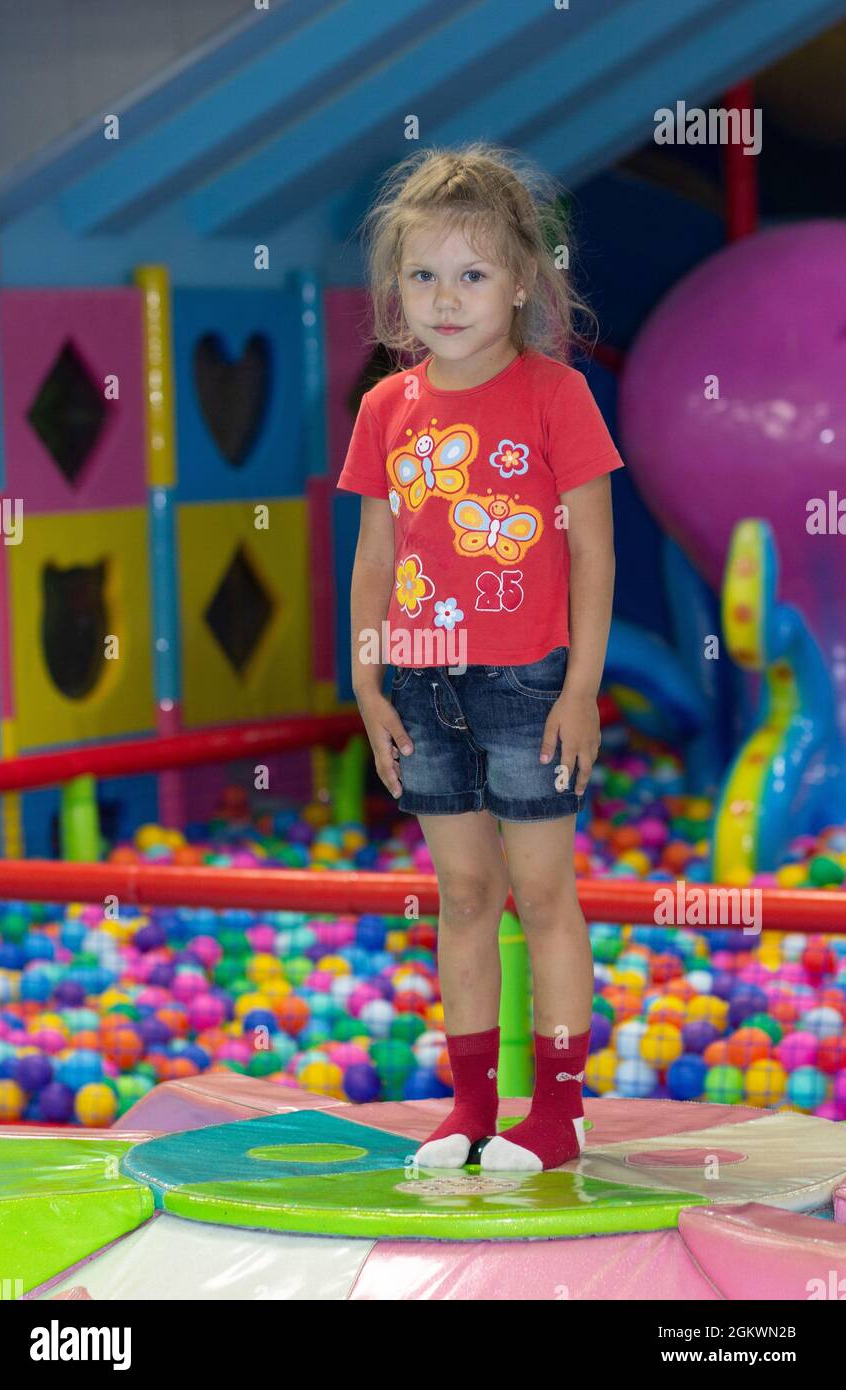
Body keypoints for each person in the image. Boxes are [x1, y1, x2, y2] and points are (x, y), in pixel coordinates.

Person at [336, 142, 624, 1172]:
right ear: (394, 290)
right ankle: (468, 1106)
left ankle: (553, 1111)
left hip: (527, 684)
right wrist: (367, 681)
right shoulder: (386, 409)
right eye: (422, 275)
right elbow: (376, 553)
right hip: (418, 682)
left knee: (543, 892)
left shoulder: (555, 396)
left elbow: (591, 549)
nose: (445, 299)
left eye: (471, 274)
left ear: (518, 282)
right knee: (461, 893)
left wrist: (580, 687)